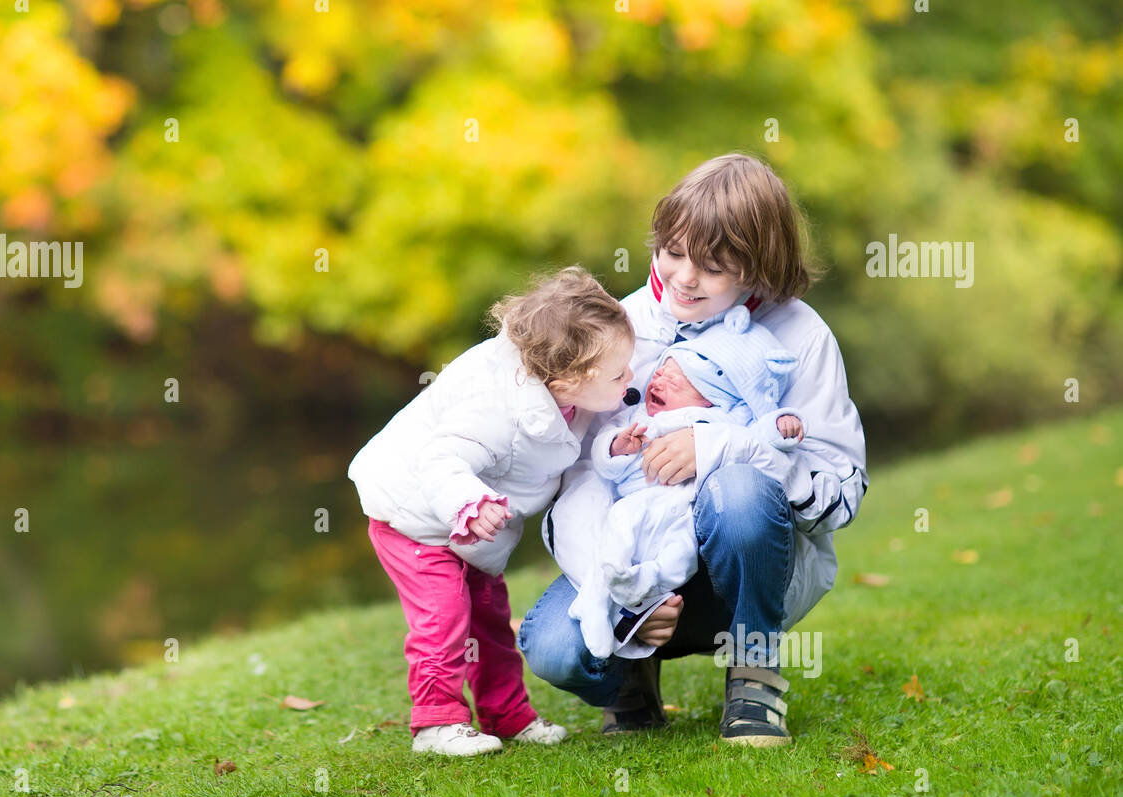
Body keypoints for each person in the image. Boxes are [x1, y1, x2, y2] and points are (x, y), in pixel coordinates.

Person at [517, 153, 868, 747]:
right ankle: (629, 671)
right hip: (633, 559)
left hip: (753, 561)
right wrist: (626, 594)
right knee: (552, 650)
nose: (683, 278)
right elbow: (573, 483)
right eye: (672, 252)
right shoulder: (617, 324)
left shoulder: (801, 336)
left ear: (759, 267)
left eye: (712, 267)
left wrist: (726, 447)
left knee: (738, 490)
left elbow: (843, 493)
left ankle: (754, 675)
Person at [347, 267, 636, 755]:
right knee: (444, 614)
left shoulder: (565, 390)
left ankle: (507, 715)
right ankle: (436, 723)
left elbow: (570, 450)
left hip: (472, 530)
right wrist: (469, 502)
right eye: (619, 375)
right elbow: (441, 458)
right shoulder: (496, 406)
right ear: (569, 378)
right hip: (414, 512)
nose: (630, 381)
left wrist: (615, 445)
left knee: (490, 620)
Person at [572, 310, 807, 660]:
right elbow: (604, 462)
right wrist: (617, 447)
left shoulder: (724, 419)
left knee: (680, 558)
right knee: (615, 536)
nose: (658, 383)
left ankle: (647, 589)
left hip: (682, 516)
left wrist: (782, 424)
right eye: (660, 373)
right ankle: (597, 600)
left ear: (713, 397)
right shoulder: (637, 420)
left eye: (676, 382)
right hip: (636, 506)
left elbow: (762, 436)